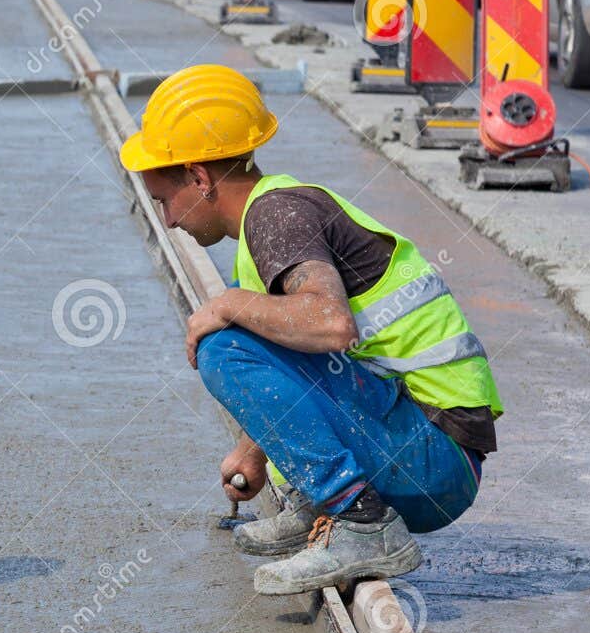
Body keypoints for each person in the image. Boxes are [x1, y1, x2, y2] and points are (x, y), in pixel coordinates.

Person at [120, 65, 503, 595]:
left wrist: (228, 303)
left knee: (222, 349)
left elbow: (330, 326)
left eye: (165, 199)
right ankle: (322, 504)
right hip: (424, 445)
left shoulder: (275, 217)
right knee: (244, 332)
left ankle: (361, 521)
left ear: (200, 178)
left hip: (438, 460)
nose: (169, 220)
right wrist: (255, 453)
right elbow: (296, 357)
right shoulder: (272, 219)